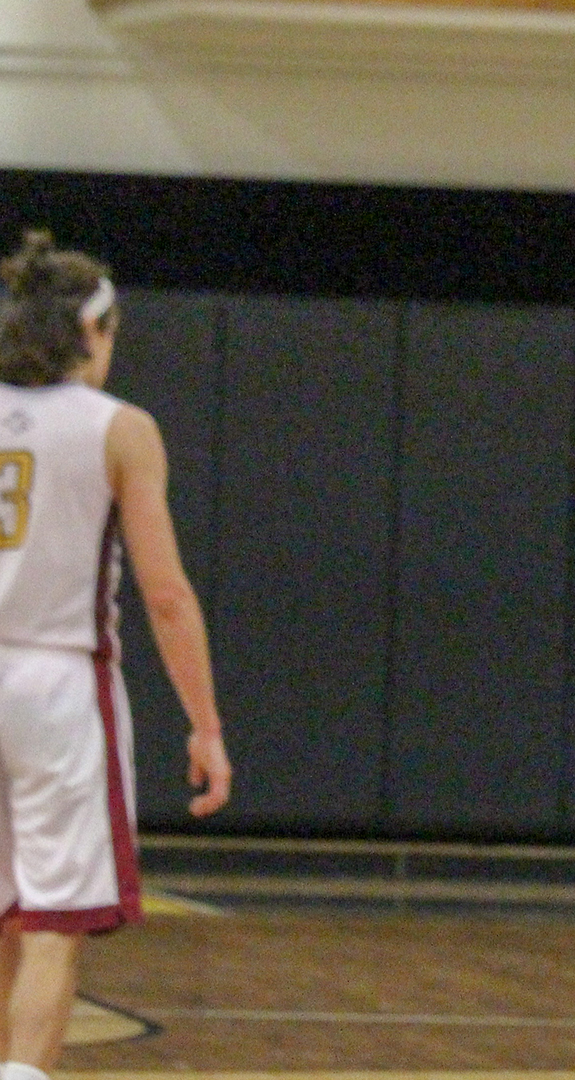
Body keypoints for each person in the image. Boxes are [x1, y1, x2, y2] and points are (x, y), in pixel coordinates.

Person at [0, 231, 231, 1080]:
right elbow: (166, 596)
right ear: (91, 331)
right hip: (57, 686)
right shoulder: (120, 429)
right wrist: (205, 726)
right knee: (54, 923)